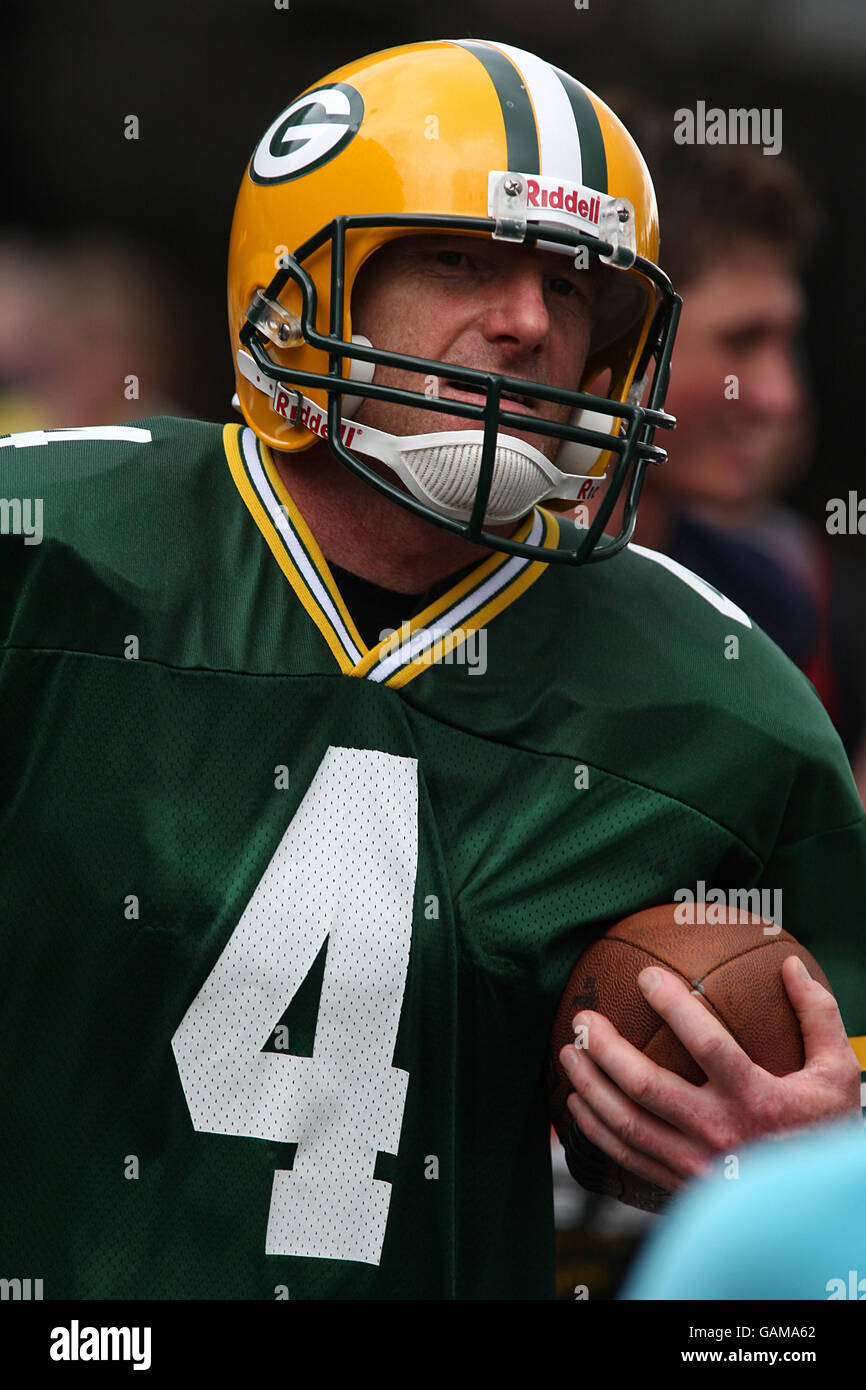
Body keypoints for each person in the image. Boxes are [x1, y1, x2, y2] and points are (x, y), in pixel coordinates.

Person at [0, 39, 863, 1301]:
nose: (523, 321)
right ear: (301, 286)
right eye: (459, 260)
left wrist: (806, 1158)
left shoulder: (718, 696)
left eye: (572, 288)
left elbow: (826, 1122)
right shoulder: (45, 551)